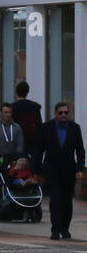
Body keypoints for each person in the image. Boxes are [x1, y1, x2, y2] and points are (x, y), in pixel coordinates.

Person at [32, 101, 85, 240]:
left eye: (66, 113)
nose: (63, 115)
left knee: (67, 201)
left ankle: (65, 229)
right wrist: (36, 171)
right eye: (61, 113)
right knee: (55, 199)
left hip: (68, 170)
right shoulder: (46, 128)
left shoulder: (75, 128)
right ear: (55, 114)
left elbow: (80, 150)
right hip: (52, 170)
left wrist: (80, 168)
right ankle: (55, 229)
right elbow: (39, 151)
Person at [11, 81, 42, 158]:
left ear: (16, 92)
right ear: (27, 92)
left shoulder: (13, 107)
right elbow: (39, 125)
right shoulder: (35, 107)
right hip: (32, 140)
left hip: (17, 141)